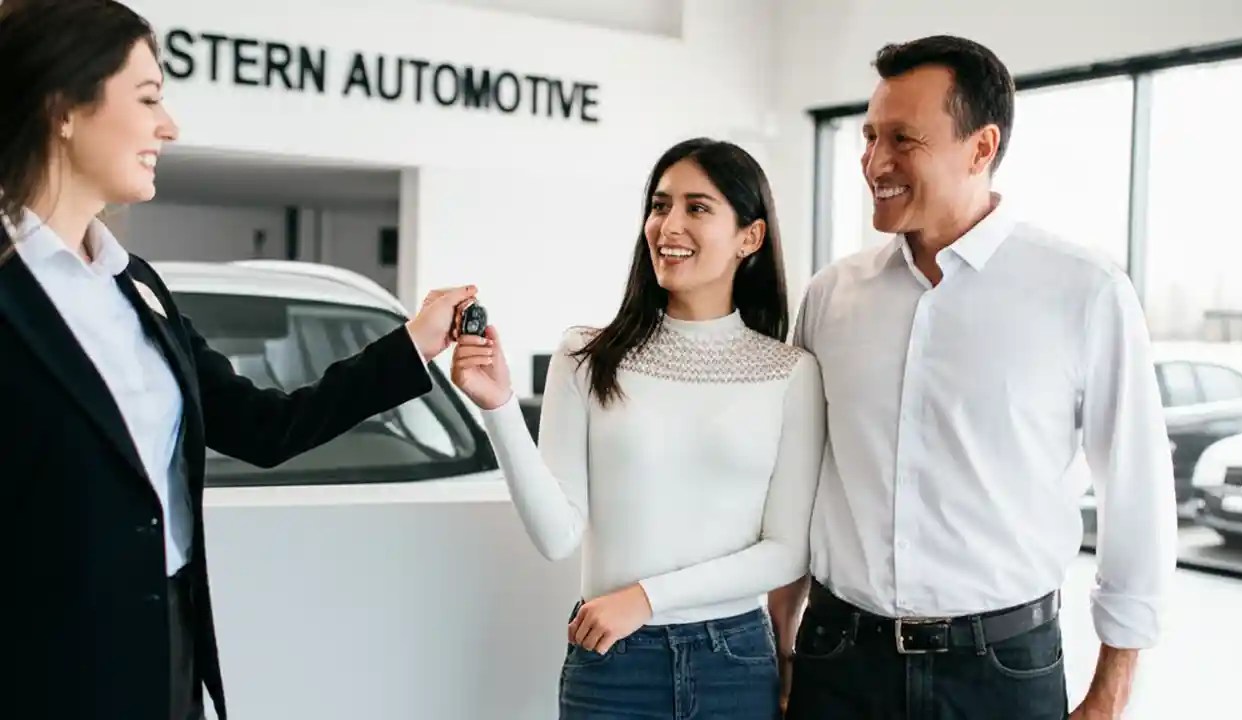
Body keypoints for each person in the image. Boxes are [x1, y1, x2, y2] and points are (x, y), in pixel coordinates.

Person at [0, 2, 478, 719]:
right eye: (151, 97)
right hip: (43, 672)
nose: (171, 126)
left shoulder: (136, 289)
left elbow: (264, 426)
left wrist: (412, 345)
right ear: (63, 107)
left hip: (167, 650)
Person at [770, 35, 1177, 720]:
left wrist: (1112, 692)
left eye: (903, 139)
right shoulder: (830, 297)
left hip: (1002, 671)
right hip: (838, 659)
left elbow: (1137, 495)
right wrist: (781, 649)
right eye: (868, 137)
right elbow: (795, 485)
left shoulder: (1084, 291)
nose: (874, 161)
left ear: (980, 147)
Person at [450, 137, 826, 718]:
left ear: (749, 238)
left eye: (697, 208)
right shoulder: (585, 355)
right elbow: (556, 535)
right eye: (659, 205)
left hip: (734, 660)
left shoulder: (789, 373)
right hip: (611, 662)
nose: (668, 224)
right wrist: (497, 407)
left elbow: (785, 552)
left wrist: (647, 599)